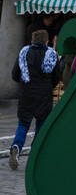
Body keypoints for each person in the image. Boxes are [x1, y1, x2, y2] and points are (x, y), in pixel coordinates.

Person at [8, 29, 59, 169]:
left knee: (23, 124)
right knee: (41, 126)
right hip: (44, 96)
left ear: (32, 41)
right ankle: (35, 155)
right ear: (46, 42)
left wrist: (25, 83)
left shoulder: (24, 53)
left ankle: (17, 147)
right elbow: (56, 78)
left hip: (26, 94)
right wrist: (47, 86)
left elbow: (14, 74)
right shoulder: (52, 55)